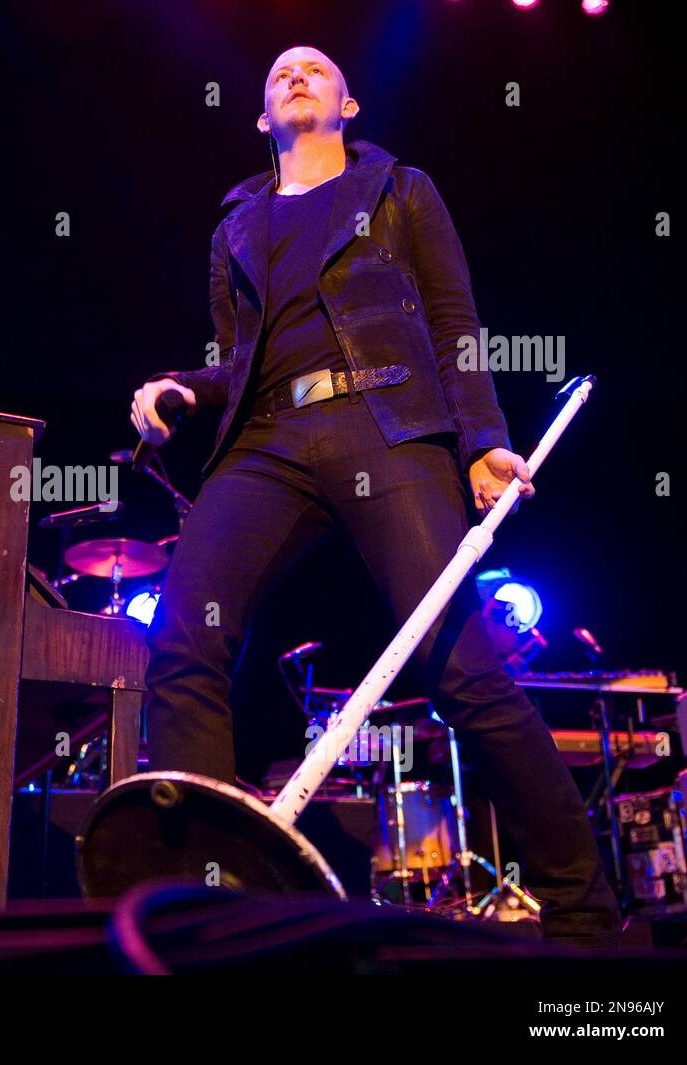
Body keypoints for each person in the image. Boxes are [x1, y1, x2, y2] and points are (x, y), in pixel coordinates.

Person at [130, 46, 619, 947]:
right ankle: (203, 914)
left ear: (349, 104)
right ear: (260, 119)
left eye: (315, 69)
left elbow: (452, 318)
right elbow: (235, 362)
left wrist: (482, 440)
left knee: (459, 671)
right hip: (266, 441)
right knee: (180, 640)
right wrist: (182, 390)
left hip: (384, 419)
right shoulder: (235, 221)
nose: (295, 77)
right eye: (277, 74)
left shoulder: (400, 190)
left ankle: (585, 915)